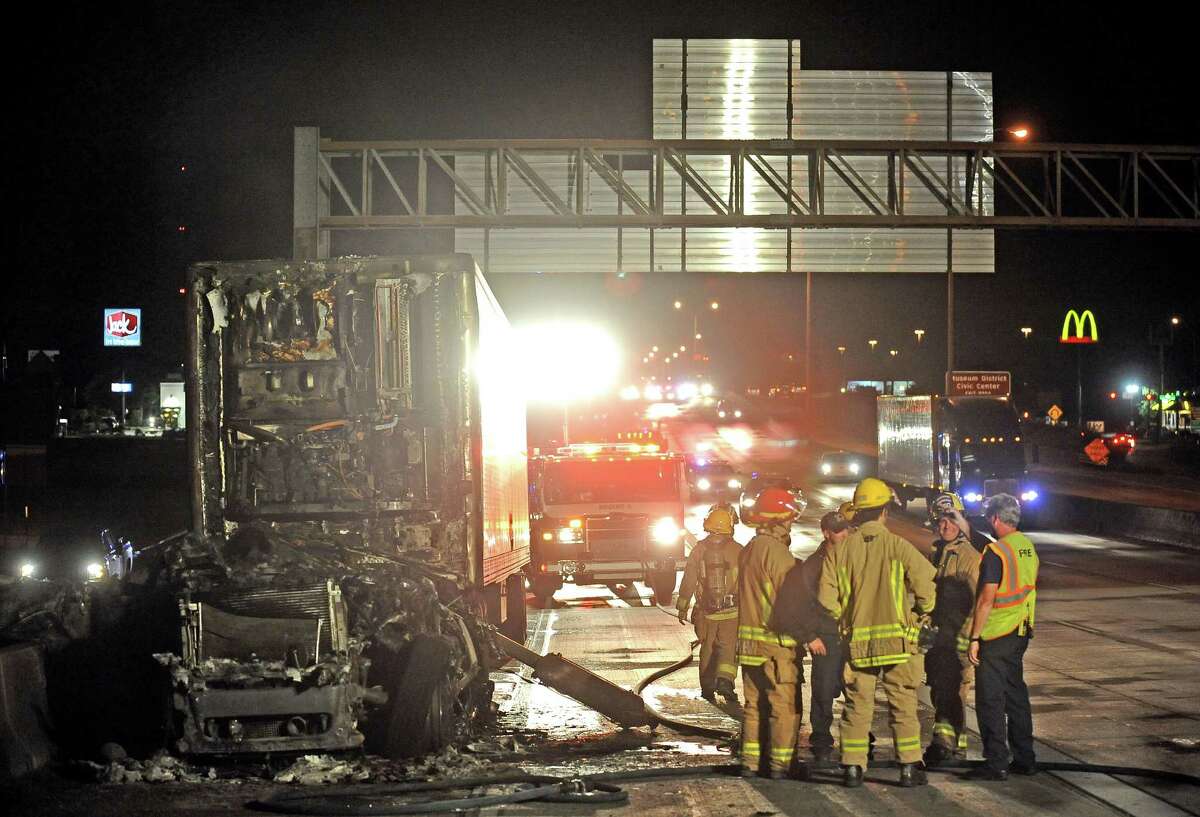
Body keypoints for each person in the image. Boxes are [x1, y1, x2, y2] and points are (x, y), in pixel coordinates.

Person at [818, 477, 936, 788]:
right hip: (897, 642)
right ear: (884, 511)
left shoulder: (841, 551)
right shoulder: (899, 546)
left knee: (858, 705)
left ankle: (853, 768)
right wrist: (922, 613)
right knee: (903, 702)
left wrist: (846, 617)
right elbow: (927, 588)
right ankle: (910, 767)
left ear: (857, 514)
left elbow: (827, 600)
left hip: (858, 643)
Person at [966, 493, 1039, 781]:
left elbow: (986, 600)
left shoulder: (996, 554)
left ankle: (996, 762)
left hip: (996, 634)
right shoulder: (1026, 547)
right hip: (1020, 631)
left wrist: (975, 637)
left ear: (995, 518)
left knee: (990, 700)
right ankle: (1025, 758)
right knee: (1016, 696)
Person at [736, 487, 801, 779]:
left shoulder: (750, 548)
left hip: (749, 644)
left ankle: (750, 763)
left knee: (753, 705)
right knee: (782, 706)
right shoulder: (777, 553)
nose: (791, 523)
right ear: (778, 519)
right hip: (776, 644)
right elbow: (791, 599)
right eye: (788, 518)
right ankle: (779, 765)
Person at [922, 492, 982, 769]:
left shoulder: (969, 556)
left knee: (954, 692)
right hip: (940, 637)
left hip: (958, 638)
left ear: (961, 520)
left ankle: (946, 745)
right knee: (940, 689)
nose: (945, 526)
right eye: (941, 521)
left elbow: (981, 601)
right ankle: (950, 744)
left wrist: (969, 638)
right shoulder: (937, 552)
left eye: (951, 520)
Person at [794, 507, 854, 767]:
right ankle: (821, 738)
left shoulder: (855, 557)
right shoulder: (813, 565)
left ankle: (860, 736)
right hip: (826, 637)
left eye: (845, 530)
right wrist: (810, 636)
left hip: (852, 635)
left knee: (857, 688)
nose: (843, 535)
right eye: (837, 531)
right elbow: (803, 603)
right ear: (825, 533)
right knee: (824, 689)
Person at [677, 505, 743, 704]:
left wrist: (682, 605)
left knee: (707, 649)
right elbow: (747, 580)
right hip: (732, 612)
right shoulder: (738, 549)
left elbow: (689, 579)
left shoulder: (699, 550)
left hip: (707, 612)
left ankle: (707, 688)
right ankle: (726, 682)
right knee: (729, 648)